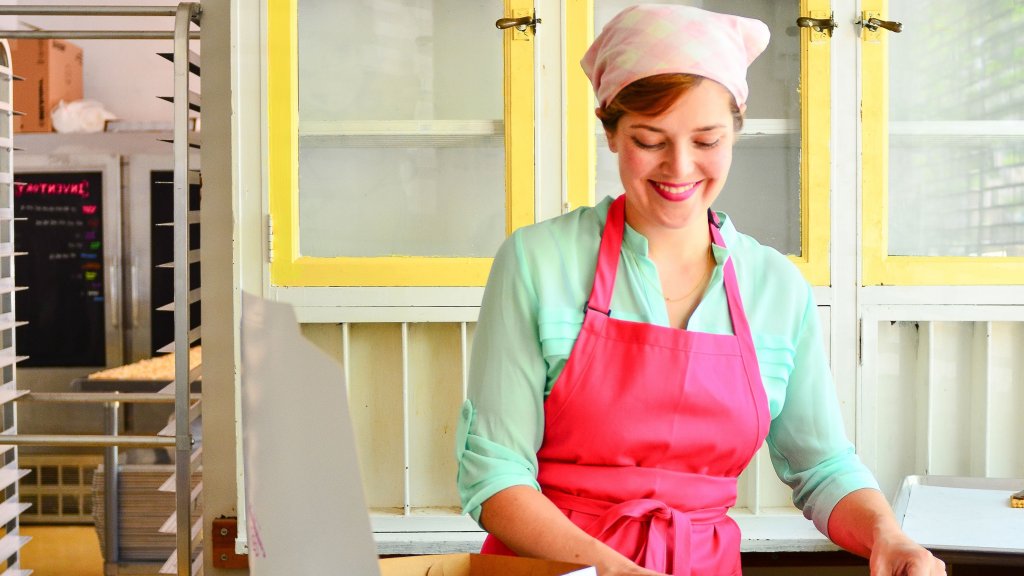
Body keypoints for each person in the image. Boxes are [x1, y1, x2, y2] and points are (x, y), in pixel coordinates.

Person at [455, 5, 945, 575]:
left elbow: (823, 467)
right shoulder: (538, 262)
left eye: (707, 139)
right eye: (649, 139)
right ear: (610, 131)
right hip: (555, 567)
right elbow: (495, 474)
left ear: (737, 128)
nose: (679, 167)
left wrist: (888, 535)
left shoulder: (775, 287)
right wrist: (611, 570)